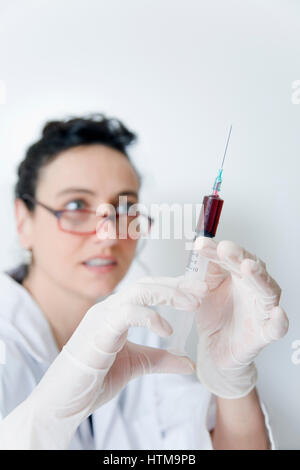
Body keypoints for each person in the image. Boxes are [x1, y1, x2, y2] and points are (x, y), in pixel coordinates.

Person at [0, 114, 288, 450]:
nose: (109, 234)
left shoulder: (146, 331)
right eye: (76, 205)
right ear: (24, 221)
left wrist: (233, 385)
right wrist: (43, 419)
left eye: (125, 208)